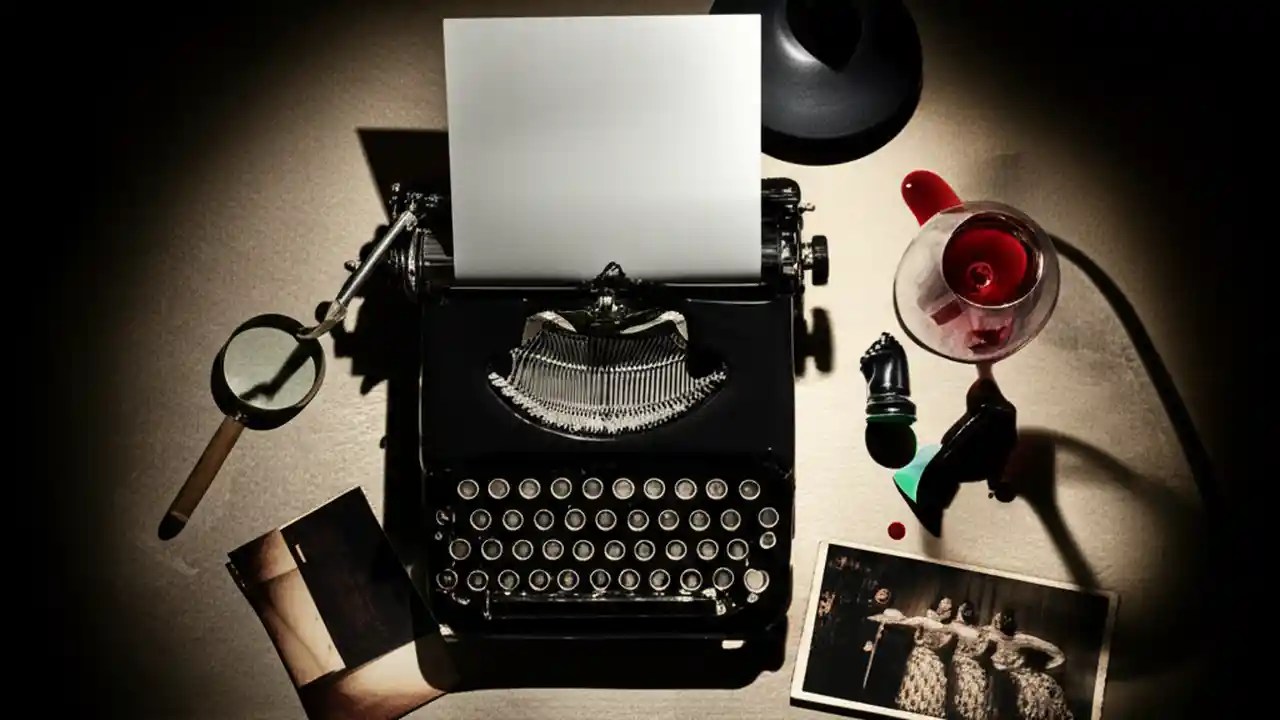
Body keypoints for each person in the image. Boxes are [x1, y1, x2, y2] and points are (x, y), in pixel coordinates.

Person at [868, 597, 957, 718]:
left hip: (933, 661)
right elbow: (905, 622)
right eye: (944, 602)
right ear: (939, 604)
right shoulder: (927, 619)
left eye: (949, 604)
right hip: (920, 657)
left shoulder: (948, 628)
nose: (946, 606)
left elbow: (942, 645)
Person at [984, 610, 1073, 720]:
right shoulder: (991, 634)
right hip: (999, 677)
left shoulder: (1022, 639)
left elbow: (1055, 652)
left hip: (1017, 677)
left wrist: (1050, 665)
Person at [945, 600, 994, 720]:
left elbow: (981, 649)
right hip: (959, 663)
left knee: (978, 687)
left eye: (965, 610)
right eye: (962, 610)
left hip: (973, 666)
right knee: (963, 687)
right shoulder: (953, 626)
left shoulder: (978, 631)